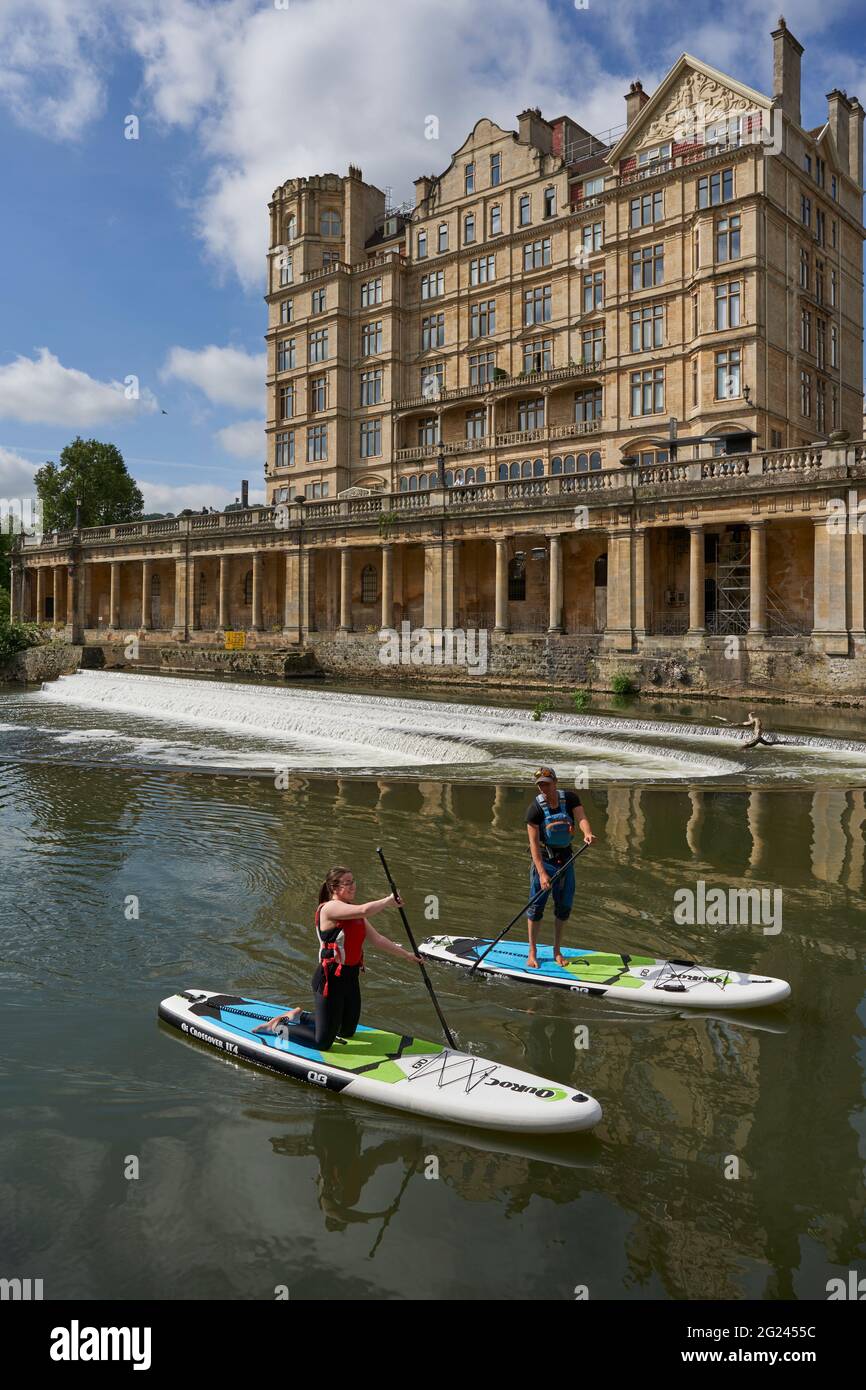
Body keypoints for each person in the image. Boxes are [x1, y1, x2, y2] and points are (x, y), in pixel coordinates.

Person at [253, 866, 418, 1050]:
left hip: (350, 977)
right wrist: (388, 901)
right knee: (322, 1042)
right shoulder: (330, 908)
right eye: (347, 883)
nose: (353, 886)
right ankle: (277, 1026)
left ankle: (300, 1016)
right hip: (330, 979)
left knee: (347, 1031)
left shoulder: (352, 912)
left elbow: (378, 940)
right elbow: (364, 909)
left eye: (353, 881)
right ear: (334, 887)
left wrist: (408, 955)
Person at [525, 766, 595, 969]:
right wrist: (542, 873)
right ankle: (532, 951)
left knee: (563, 907)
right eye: (540, 785)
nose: (543, 789)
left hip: (565, 861)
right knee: (536, 908)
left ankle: (557, 950)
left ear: (555, 782)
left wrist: (587, 833)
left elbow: (581, 818)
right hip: (544, 861)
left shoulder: (571, 799)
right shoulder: (534, 809)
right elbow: (533, 845)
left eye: (546, 784)